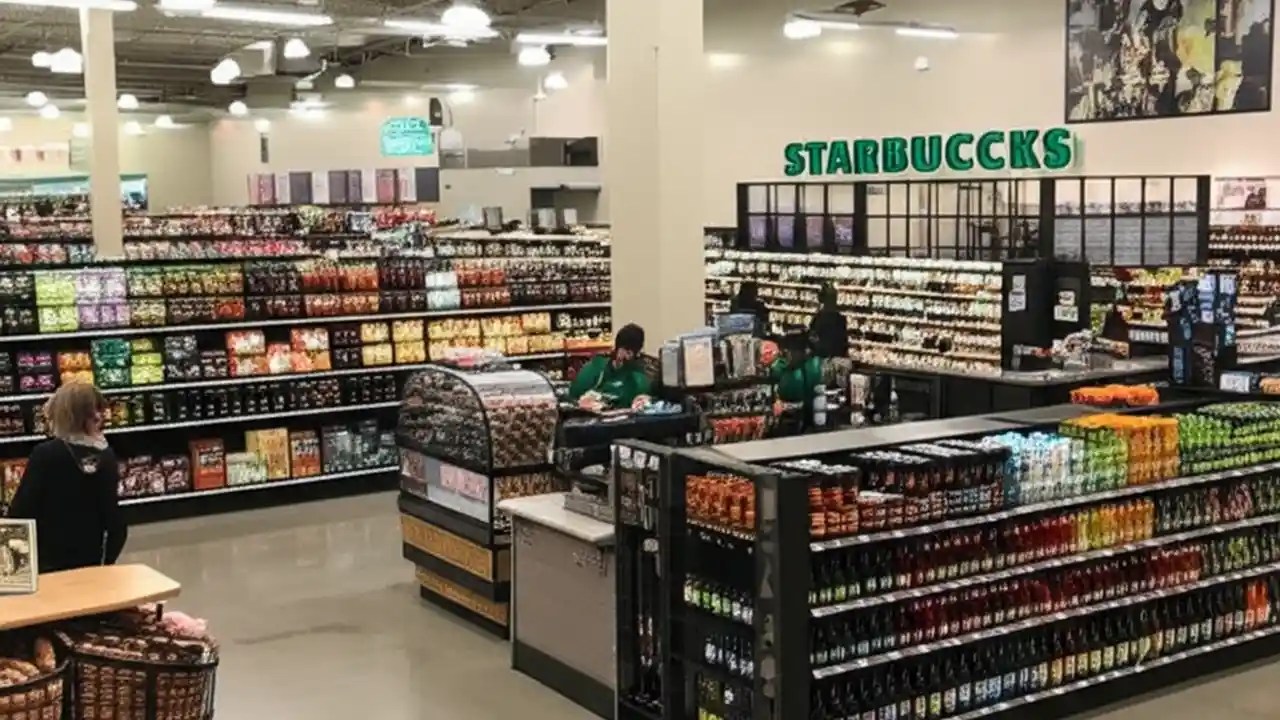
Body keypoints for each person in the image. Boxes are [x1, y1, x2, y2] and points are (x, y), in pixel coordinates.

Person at [6, 382, 127, 574]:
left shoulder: (45, 454)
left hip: (47, 562)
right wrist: (106, 564)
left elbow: (21, 512)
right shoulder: (107, 455)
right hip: (90, 560)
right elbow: (115, 521)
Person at [568, 323, 652, 409]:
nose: (623, 356)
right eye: (623, 350)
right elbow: (574, 394)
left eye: (629, 353)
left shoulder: (637, 376)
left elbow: (644, 398)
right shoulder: (596, 368)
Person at [808, 283, 849, 359]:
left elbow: (812, 338)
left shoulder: (819, 318)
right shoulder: (839, 319)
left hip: (823, 356)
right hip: (830, 357)